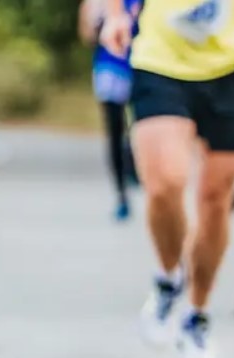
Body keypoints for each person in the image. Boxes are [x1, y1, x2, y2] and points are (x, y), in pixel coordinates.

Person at [99, 0, 234, 358]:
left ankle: (196, 314)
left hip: (232, 65)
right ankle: (169, 277)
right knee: (165, 183)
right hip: (159, 60)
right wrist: (117, 14)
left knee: (216, 199)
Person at [78, 0, 142, 222]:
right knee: (115, 130)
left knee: (143, 127)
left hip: (144, 67)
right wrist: (92, 18)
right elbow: (87, 36)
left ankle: (137, 168)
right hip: (110, 67)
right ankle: (121, 195)